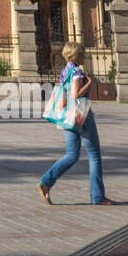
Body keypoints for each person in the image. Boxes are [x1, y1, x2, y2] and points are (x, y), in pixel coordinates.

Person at [38, 44, 115, 206]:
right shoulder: (77, 72)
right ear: (76, 56)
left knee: (72, 155)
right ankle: (98, 197)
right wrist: (89, 83)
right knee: (94, 156)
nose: (84, 56)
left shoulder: (65, 71)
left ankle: (46, 181)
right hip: (82, 116)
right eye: (82, 54)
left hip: (66, 116)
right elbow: (76, 94)